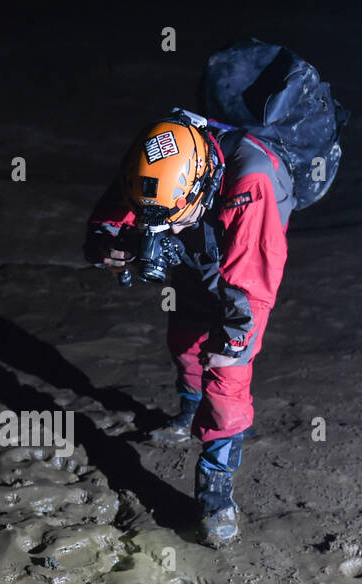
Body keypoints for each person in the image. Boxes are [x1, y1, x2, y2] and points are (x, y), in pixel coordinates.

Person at [83, 108, 293, 546]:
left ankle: (216, 492)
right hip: (199, 243)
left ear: (202, 185)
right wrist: (107, 244)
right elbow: (112, 214)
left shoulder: (251, 182)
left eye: (174, 220)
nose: (169, 230)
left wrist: (235, 341)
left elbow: (253, 284)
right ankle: (187, 412)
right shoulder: (152, 160)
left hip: (242, 251)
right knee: (184, 339)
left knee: (228, 374)